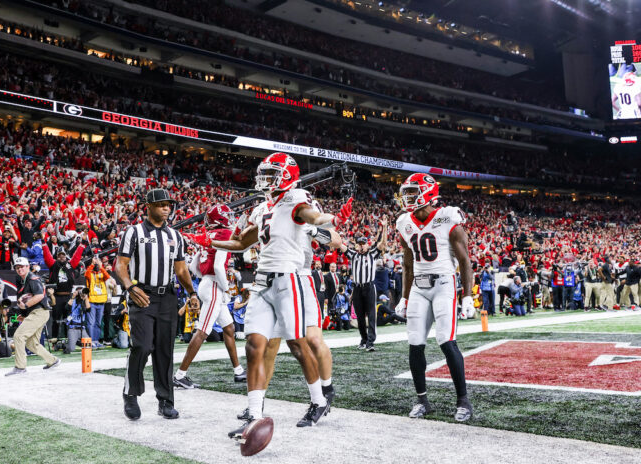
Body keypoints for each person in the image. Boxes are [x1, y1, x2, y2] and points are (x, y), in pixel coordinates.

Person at [191, 152, 352, 435]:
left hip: (291, 278)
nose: (265, 179)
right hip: (263, 281)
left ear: (287, 175)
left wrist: (328, 218)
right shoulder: (262, 208)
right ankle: (254, 412)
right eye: (263, 174)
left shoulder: (296, 198)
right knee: (254, 345)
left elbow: (312, 216)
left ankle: (319, 399)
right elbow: (242, 242)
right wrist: (210, 241)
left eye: (271, 174)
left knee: (298, 344)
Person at [394, 173, 475, 422]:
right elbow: (408, 265)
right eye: (406, 192)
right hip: (418, 285)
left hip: (443, 283)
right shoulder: (404, 221)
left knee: (446, 340)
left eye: (412, 192)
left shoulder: (447, 216)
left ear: (427, 192)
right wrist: (404, 297)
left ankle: (463, 401)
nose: (407, 198)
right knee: (415, 342)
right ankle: (422, 400)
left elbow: (464, 260)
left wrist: (468, 296)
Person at [116, 188, 197, 421]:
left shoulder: (175, 235)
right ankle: (130, 394)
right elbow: (120, 265)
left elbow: (181, 270)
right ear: (148, 206)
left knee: (165, 351)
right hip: (142, 294)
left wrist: (192, 293)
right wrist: (130, 287)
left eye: (168, 204)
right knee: (141, 346)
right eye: (161, 204)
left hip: (168, 298)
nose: (166, 208)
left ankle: (165, 401)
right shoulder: (134, 232)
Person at [174, 204, 245, 390]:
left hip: (207, 282)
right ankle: (180, 375)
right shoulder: (223, 235)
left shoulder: (209, 235)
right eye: (226, 216)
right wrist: (227, 289)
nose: (229, 219)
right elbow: (220, 267)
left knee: (229, 328)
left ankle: (238, 371)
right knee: (203, 331)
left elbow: (194, 265)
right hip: (214, 285)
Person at [4, 257, 61, 376]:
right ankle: (53, 361)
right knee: (31, 343)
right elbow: (28, 300)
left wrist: (26, 305)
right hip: (37, 313)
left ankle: (20, 367)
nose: (19, 269)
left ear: (28, 267)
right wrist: (24, 314)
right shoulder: (22, 280)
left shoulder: (33, 279)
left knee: (18, 336)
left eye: (22, 267)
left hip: (39, 312)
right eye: (17, 267)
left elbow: (39, 296)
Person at [340, 222, 387, 350]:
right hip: (357, 288)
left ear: (367, 244)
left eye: (363, 244)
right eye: (359, 244)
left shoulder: (372, 254)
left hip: (369, 287)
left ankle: (370, 342)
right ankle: (363, 339)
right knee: (360, 316)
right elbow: (340, 246)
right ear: (356, 245)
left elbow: (383, 244)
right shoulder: (353, 255)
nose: (361, 246)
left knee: (371, 315)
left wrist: (385, 227)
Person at [85, 255, 110, 348]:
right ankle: (90, 341)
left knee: (98, 323)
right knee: (91, 323)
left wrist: (101, 267)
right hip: (92, 301)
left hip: (101, 302)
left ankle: (96, 340)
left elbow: (107, 277)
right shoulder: (90, 273)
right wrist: (92, 264)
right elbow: (86, 274)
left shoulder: (102, 272)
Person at [64, 287, 91, 354]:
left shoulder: (85, 301)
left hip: (82, 328)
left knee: (88, 346)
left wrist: (86, 298)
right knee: (71, 349)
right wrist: (73, 297)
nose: (81, 294)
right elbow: (67, 308)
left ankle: (76, 342)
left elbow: (88, 310)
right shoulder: (73, 300)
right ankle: (63, 345)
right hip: (73, 328)